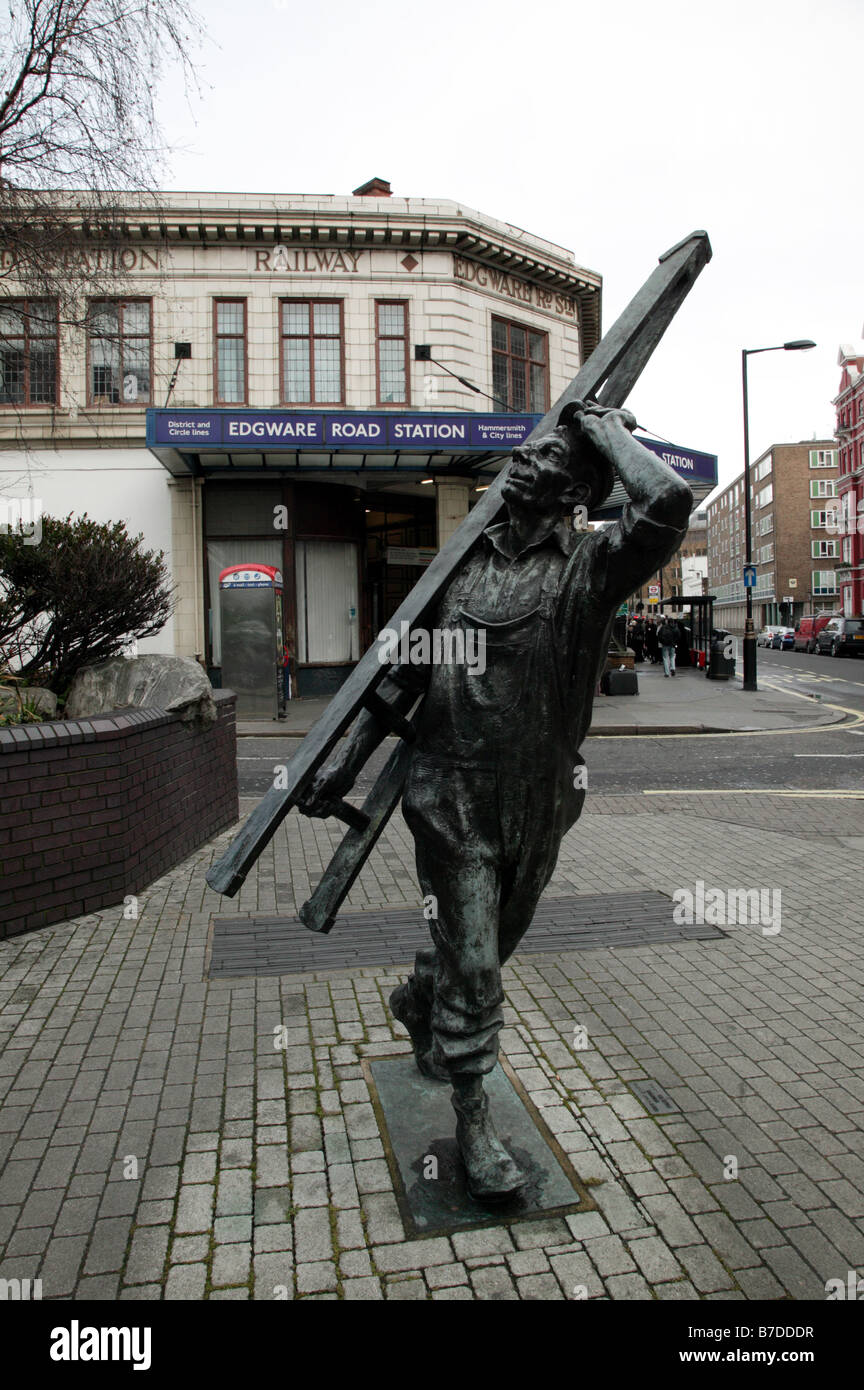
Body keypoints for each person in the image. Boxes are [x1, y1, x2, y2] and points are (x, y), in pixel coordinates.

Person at [298, 401, 691, 1199]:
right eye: (526, 451)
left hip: (539, 798)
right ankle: (474, 1127)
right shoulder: (462, 571)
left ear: (575, 487)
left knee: (484, 949)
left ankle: (418, 997)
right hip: (448, 793)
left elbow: (667, 506)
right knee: (478, 965)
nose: (522, 460)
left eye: (544, 455)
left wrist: (605, 428)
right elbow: (403, 679)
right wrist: (342, 766)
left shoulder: (588, 569)